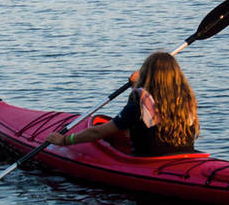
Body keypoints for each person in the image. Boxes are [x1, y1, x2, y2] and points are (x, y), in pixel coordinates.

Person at [45, 51, 200, 157]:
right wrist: (137, 86)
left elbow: (98, 133)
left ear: (147, 74)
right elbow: (154, 109)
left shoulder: (138, 105)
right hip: (184, 157)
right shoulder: (186, 99)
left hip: (150, 162)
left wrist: (65, 140)